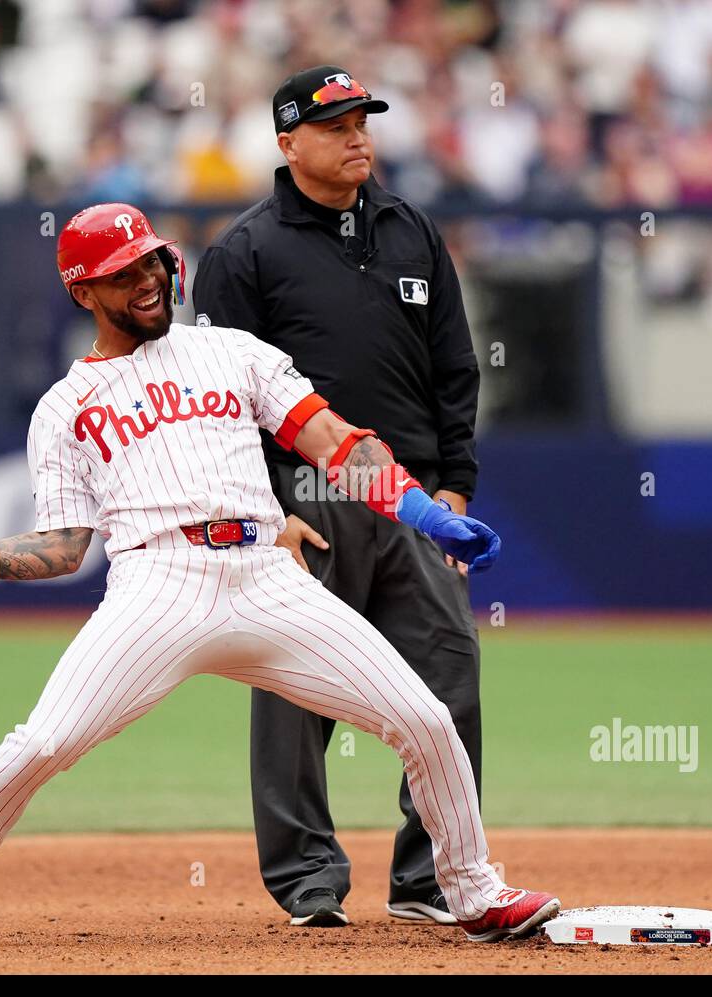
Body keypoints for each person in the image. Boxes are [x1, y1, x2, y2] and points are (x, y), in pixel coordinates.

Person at [0, 202, 560, 946]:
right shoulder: (65, 407)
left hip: (268, 576)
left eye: (150, 263)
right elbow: (65, 549)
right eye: (120, 273)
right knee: (43, 744)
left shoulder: (233, 350)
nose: (144, 280)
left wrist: (427, 514)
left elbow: (333, 441)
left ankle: (472, 891)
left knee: (425, 718)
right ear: (82, 292)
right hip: (158, 587)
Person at [193, 66, 484, 927]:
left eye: (364, 120)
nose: (358, 136)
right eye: (336, 124)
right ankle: (308, 881)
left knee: (450, 676)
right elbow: (219, 408)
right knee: (293, 694)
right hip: (301, 504)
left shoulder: (413, 233)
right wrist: (263, 513)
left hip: (411, 506)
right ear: (288, 144)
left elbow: (454, 371)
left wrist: (454, 488)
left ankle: (430, 880)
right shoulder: (244, 252)